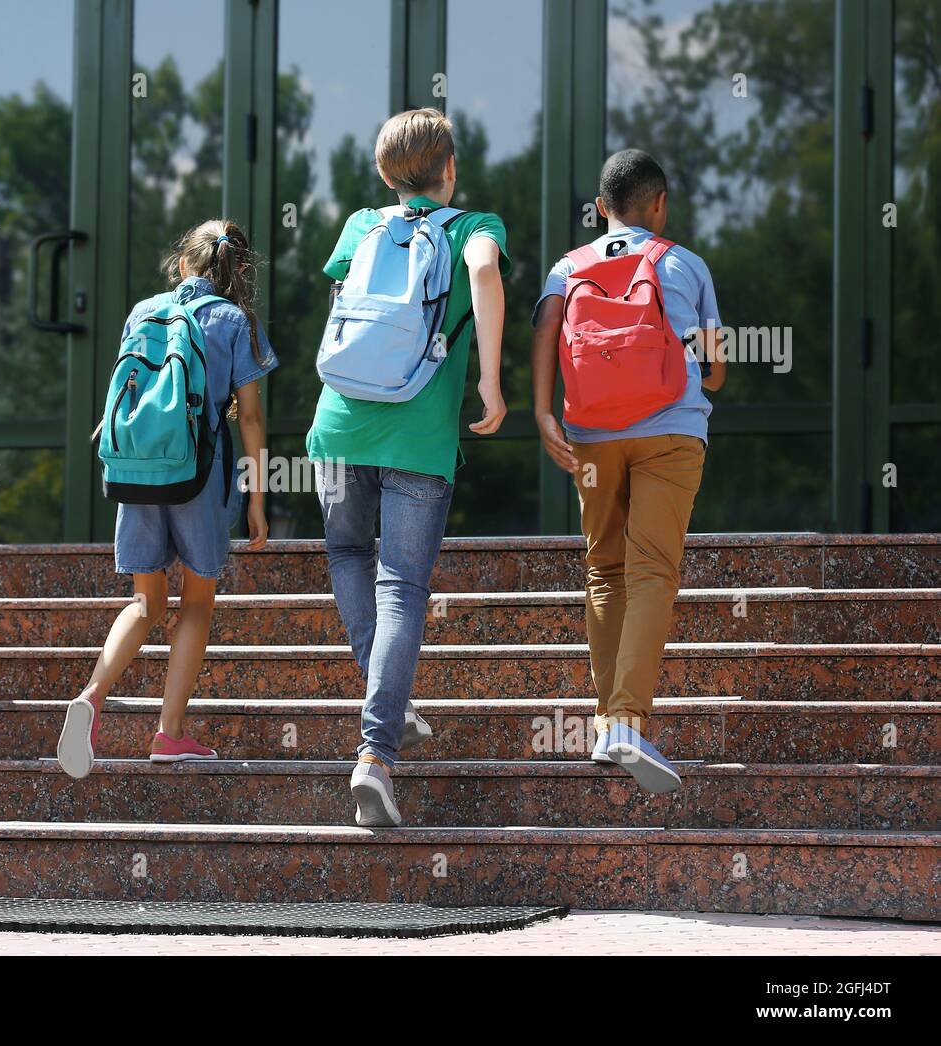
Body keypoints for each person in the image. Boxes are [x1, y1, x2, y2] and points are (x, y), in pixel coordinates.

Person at [307, 108, 509, 826]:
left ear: (386, 176)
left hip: (335, 426)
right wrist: (489, 379)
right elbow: (483, 274)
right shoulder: (474, 225)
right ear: (449, 169)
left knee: (346, 554)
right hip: (419, 435)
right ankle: (375, 752)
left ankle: (384, 708)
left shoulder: (362, 226)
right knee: (402, 586)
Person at [531, 148, 727, 793]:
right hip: (671, 432)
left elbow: (545, 335)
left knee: (604, 567)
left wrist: (542, 414)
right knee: (652, 569)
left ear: (601, 207)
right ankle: (625, 720)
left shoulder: (568, 268)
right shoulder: (686, 264)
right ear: (660, 204)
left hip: (591, 437)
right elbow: (716, 369)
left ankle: (609, 717)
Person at [56, 220, 277, 778]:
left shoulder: (143, 311)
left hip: (139, 470)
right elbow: (248, 414)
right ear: (237, 274)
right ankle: (170, 733)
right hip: (199, 473)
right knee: (196, 602)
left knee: (144, 602)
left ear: (183, 265)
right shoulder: (235, 321)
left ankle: (92, 693)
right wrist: (255, 493)